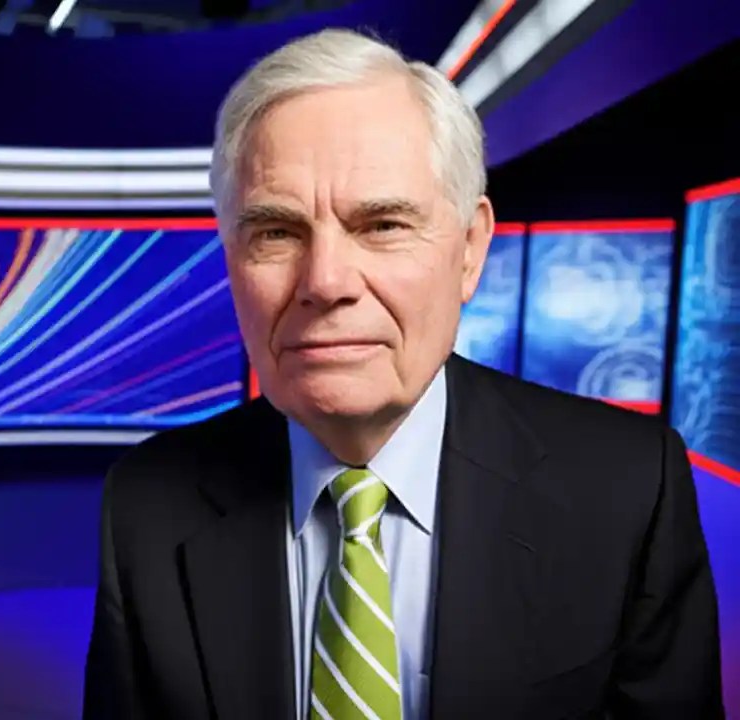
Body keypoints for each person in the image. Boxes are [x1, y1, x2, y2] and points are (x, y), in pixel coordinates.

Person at [81, 27, 722, 720]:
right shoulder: (145, 507)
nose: (325, 282)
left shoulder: (628, 489)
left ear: (470, 249)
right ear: (231, 260)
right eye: (275, 232)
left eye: (383, 224)